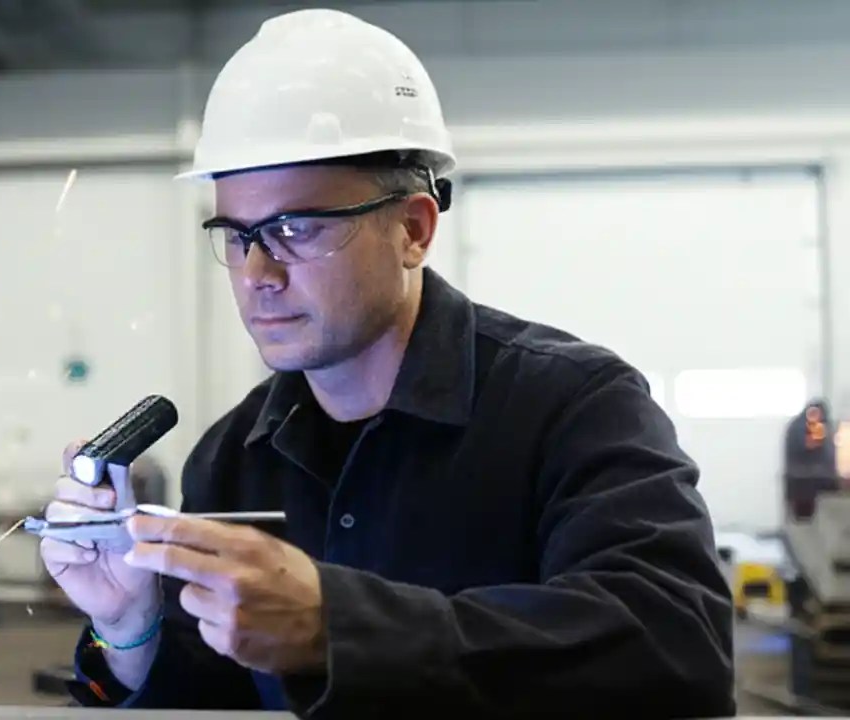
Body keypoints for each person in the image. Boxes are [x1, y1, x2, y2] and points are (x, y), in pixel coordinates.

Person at [39, 8, 734, 717]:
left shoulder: (574, 407)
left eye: (294, 229)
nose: (258, 273)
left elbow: (678, 648)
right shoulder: (233, 455)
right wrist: (131, 623)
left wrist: (335, 625)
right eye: (237, 234)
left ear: (413, 228)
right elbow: (214, 696)